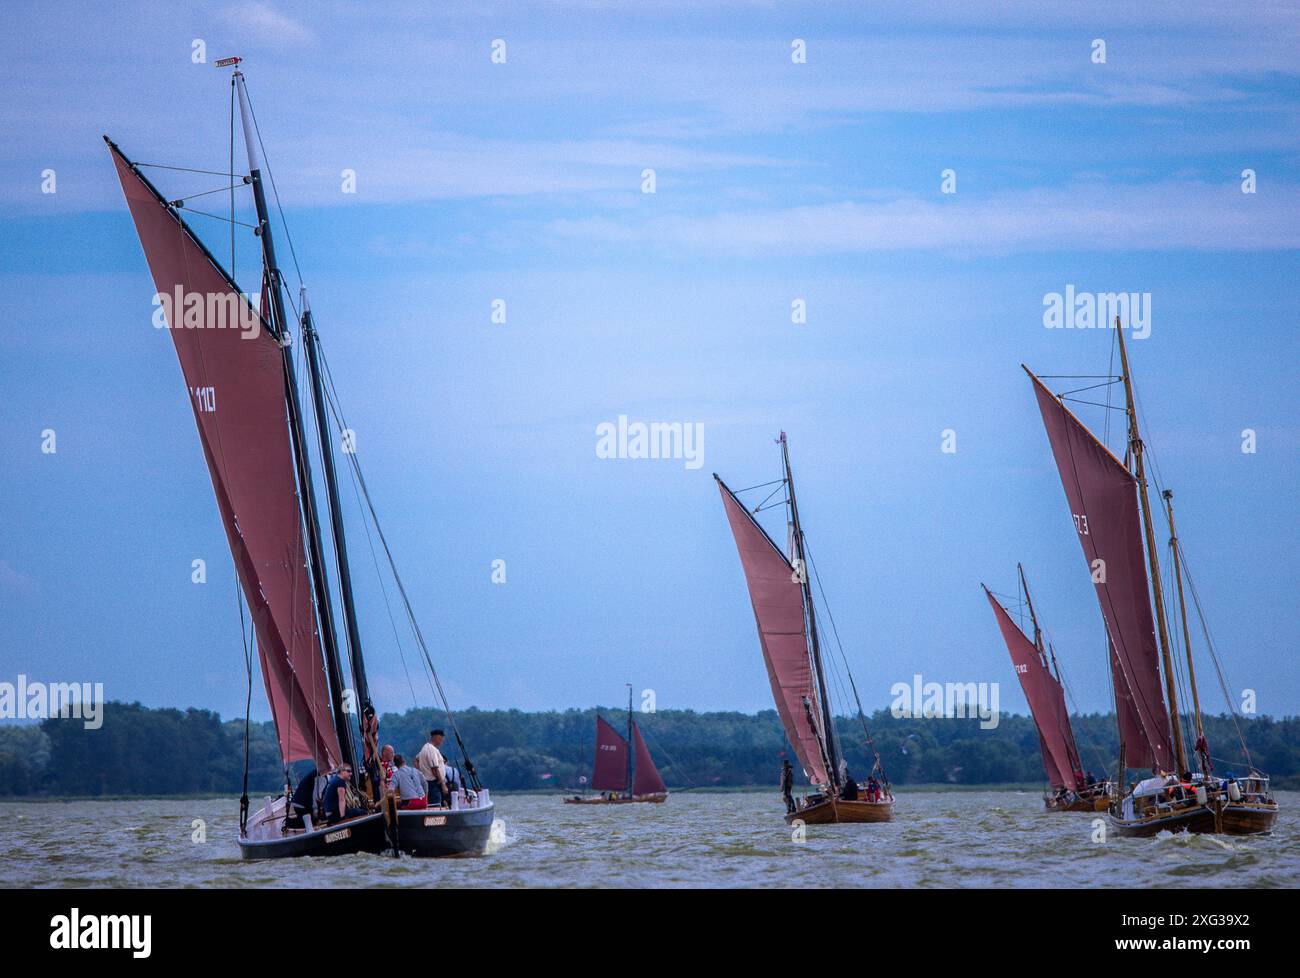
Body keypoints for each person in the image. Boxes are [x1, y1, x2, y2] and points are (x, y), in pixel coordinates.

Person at [416, 729, 451, 808]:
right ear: (436, 738)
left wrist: (421, 771)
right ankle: (434, 819)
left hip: (428, 781)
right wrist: (442, 784)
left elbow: (415, 760)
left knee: (432, 803)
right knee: (435, 805)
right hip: (433, 783)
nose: (441, 742)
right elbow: (435, 769)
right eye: (441, 740)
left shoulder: (425, 748)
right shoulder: (431, 749)